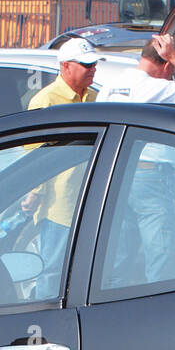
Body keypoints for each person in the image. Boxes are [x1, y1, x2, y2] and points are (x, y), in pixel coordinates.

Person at [102, 34, 175, 284]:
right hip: (150, 177)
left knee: (117, 258)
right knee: (162, 257)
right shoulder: (151, 86)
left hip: (114, 176)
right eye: (171, 70)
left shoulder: (110, 86)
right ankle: (162, 311)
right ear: (165, 65)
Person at [22, 37, 104, 298]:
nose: (92, 70)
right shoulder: (45, 101)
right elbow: (35, 156)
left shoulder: (95, 98)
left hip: (90, 197)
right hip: (60, 203)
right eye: (86, 65)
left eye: (93, 65)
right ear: (66, 66)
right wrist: (35, 191)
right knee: (52, 269)